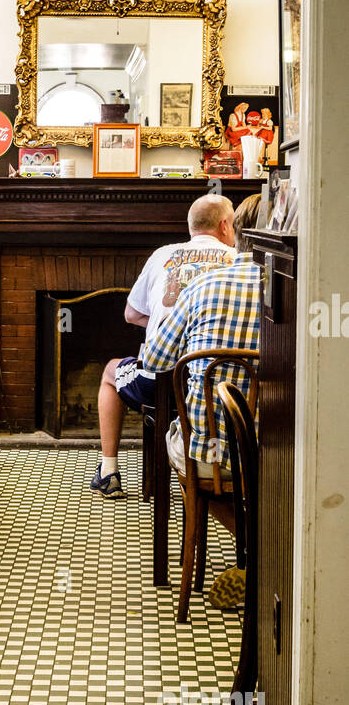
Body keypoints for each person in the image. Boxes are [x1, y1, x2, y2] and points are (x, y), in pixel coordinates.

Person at [91, 194, 238, 498]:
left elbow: (131, 315)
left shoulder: (164, 255)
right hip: (223, 391)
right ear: (224, 225)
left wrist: (173, 327)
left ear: (191, 226)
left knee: (109, 372)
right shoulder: (238, 260)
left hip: (164, 385)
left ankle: (109, 472)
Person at [140, 239, 260, 480]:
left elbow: (152, 360)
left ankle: (238, 519)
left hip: (209, 457)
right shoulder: (294, 291)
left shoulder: (200, 286)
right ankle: (255, 516)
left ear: (236, 235)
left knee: (179, 438)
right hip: (280, 454)